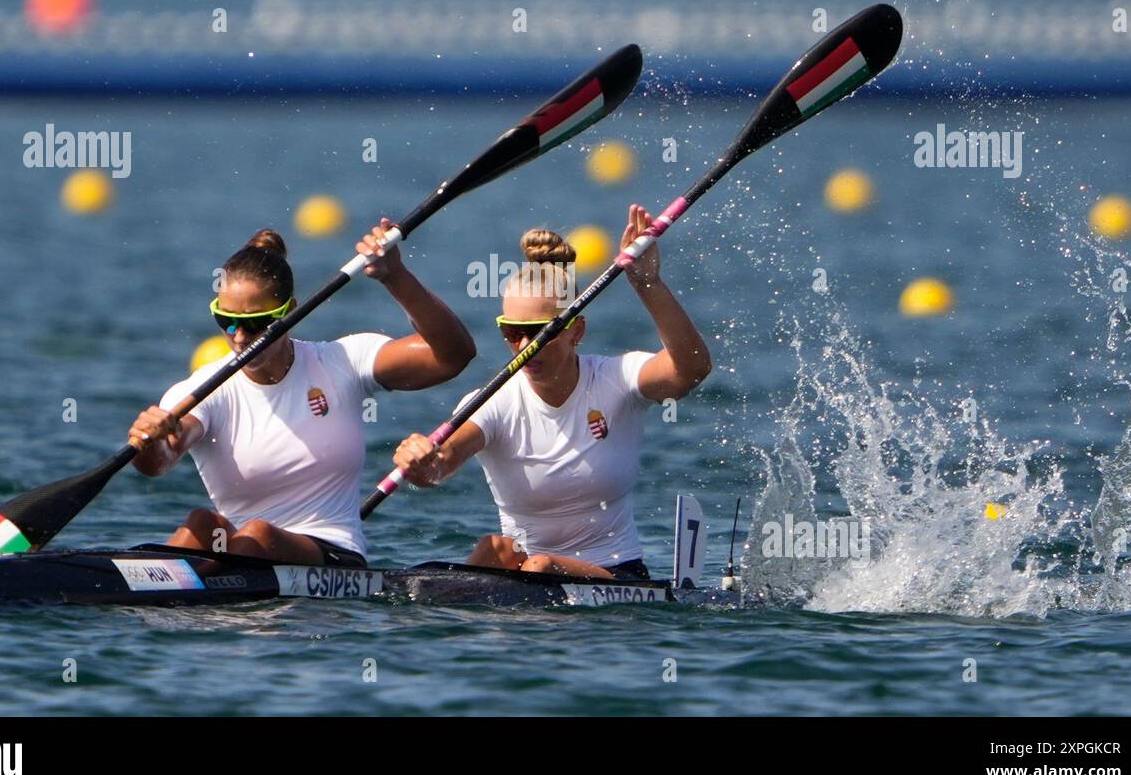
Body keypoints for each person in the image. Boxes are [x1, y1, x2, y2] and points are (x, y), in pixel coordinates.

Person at [129, 222, 476, 566]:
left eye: (254, 323)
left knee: (259, 534)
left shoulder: (342, 362)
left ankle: (189, 588)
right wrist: (149, 442)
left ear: (290, 312)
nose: (238, 338)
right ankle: (151, 584)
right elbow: (157, 463)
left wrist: (395, 275)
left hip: (331, 554)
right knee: (203, 523)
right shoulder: (202, 390)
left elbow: (452, 355)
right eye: (227, 322)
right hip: (238, 551)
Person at [393, 204, 712, 579]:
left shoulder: (617, 379)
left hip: (615, 573)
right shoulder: (494, 401)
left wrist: (648, 284)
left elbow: (691, 369)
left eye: (541, 333)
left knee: (539, 563)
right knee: (494, 549)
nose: (525, 345)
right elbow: (442, 463)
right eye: (513, 333)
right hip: (525, 571)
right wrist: (419, 461)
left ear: (576, 331)